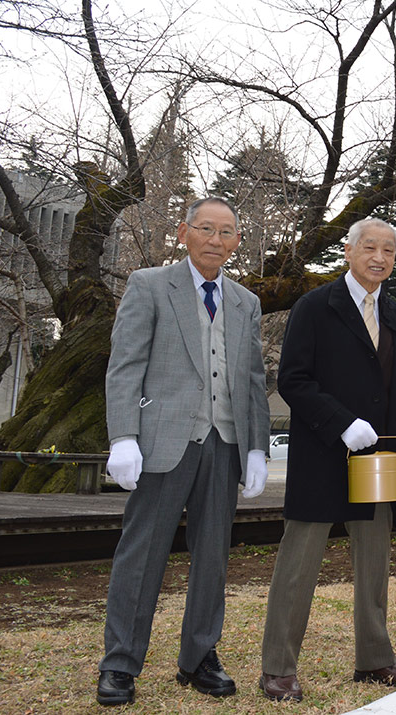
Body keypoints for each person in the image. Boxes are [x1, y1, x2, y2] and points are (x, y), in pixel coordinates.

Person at [98, 197, 270, 706]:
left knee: (213, 555)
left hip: (224, 444)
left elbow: (253, 380)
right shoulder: (149, 285)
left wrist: (257, 447)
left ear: (237, 241)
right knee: (142, 553)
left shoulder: (245, 302)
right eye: (206, 229)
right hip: (163, 444)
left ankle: (199, 657)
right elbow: (125, 366)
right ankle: (121, 664)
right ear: (184, 232)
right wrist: (123, 436)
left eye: (227, 232)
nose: (216, 240)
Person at [258, 218, 396, 702]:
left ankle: (375, 659)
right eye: (370, 247)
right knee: (299, 565)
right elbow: (293, 380)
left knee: (375, 562)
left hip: (380, 459)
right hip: (323, 455)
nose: (379, 257)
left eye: (389, 251)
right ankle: (277, 668)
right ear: (349, 251)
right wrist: (341, 423)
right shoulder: (315, 307)